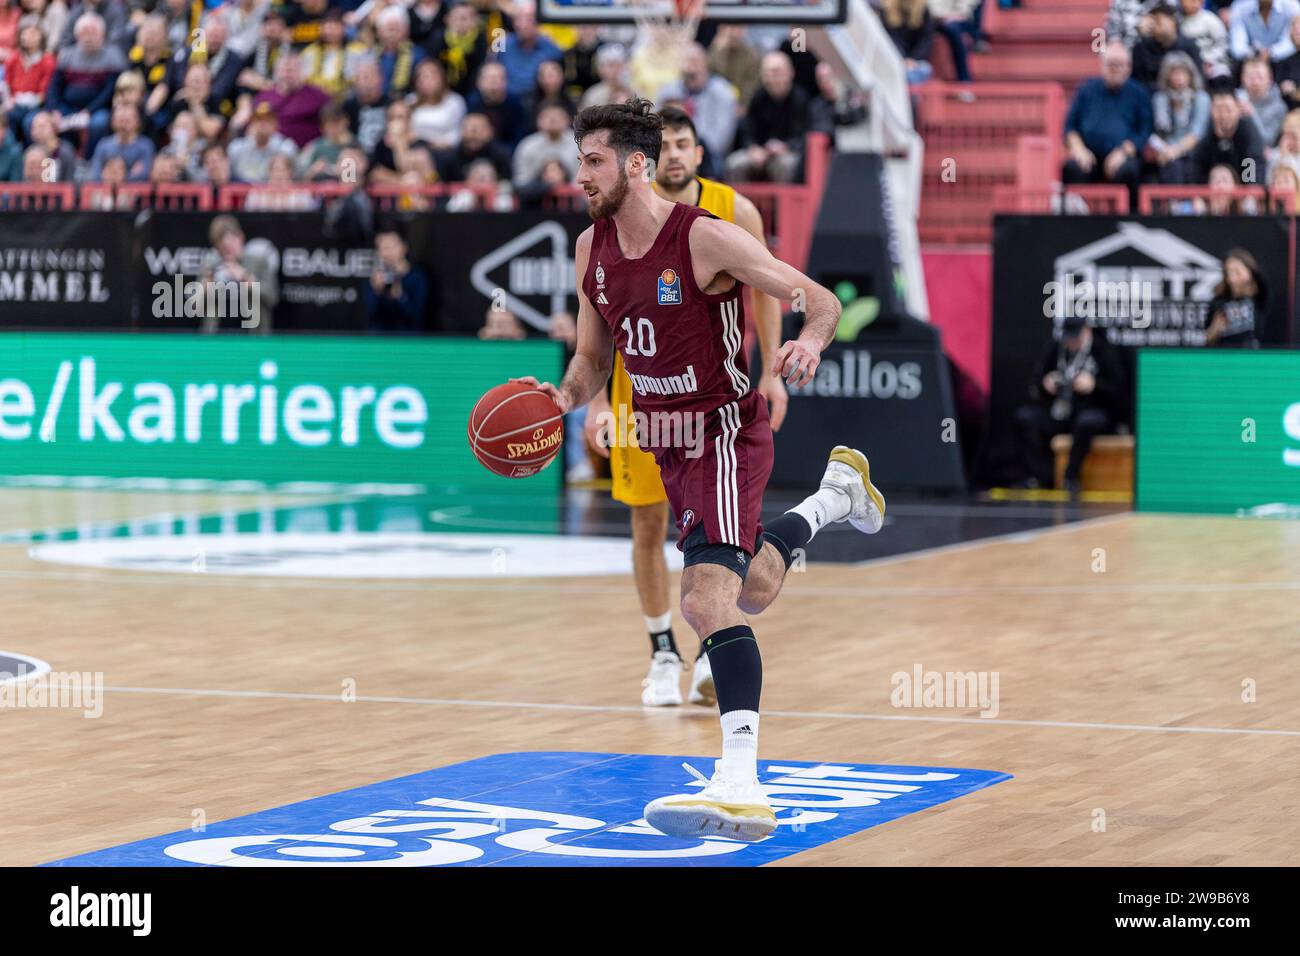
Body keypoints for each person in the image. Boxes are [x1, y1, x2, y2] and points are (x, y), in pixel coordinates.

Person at [512, 99, 885, 842]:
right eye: (579, 161)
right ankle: (835, 498)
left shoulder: (707, 238)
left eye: (592, 162)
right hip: (662, 442)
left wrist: (807, 343)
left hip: (722, 431)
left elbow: (815, 298)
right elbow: (593, 358)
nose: (577, 174)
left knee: (706, 603)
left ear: (636, 165)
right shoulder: (592, 251)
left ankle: (740, 782)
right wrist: (565, 397)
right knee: (753, 585)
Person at [581, 104, 790, 709]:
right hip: (640, 404)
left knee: (728, 567)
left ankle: (708, 653)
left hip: (713, 410)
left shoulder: (729, 213)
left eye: (684, 144)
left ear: (698, 153)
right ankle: (662, 652)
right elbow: (596, 337)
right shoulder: (602, 231)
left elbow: (773, 293)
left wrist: (773, 367)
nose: (675, 153)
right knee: (647, 523)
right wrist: (594, 403)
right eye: (666, 143)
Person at [1013, 316, 1126, 496]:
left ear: (1086, 331)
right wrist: (1046, 384)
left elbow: (1119, 391)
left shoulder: (1103, 349)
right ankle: (1037, 477)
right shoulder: (1055, 348)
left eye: (1076, 338)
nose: (1071, 342)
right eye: (1068, 338)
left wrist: (1094, 385)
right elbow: (1035, 384)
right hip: (1060, 410)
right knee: (1026, 417)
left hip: (1091, 409)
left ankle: (1071, 477)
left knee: (1088, 422)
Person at [1062, 41, 1151, 200]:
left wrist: (1122, 152)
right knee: (1072, 168)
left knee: (1129, 171)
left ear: (1128, 67)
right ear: (1102, 66)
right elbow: (1070, 127)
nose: (1115, 69)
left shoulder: (1138, 93)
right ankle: (1074, 220)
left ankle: (1129, 219)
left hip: (1122, 155)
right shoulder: (1086, 89)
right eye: (1111, 64)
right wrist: (1079, 149)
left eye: (1120, 65)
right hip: (1090, 155)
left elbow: (1144, 131)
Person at [726, 51, 809, 183]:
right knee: (734, 163)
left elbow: (804, 136)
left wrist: (785, 147)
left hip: (788, 153)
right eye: (769, 73)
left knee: (787, 165)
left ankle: (783, 204)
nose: (773, 78)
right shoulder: (758, 97)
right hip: (760, 153)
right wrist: (753, 148)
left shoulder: (800, 98)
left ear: (790, 73)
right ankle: (741, 204)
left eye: (778, 72)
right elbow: (747, 130)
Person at [202, 214, 278, 333]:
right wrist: (206, 285)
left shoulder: (258, 262)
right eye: (223, 247)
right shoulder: (211, 265)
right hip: (217, 337)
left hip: (252, 336)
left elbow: (272, 298)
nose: (228, 249)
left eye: (232, 242)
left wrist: (246, 277)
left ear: (241, 237)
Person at [1146, 51, 1209, 183]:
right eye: (1174, 72)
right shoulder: (1160, 98)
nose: (1178, 77)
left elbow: (1197, 133)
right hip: (1165, 150)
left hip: (1193, 151)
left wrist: (1175, 150)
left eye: (1182, 72)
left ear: (1191, 75)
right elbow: (1155, 132)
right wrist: (1164, 149)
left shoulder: (1201, 98)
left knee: (1182, 164)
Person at [1190, 89, 1267, 183]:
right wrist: (1198, 195)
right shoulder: (1207, 134)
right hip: (1213, 191)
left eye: (1228, 110)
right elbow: (1196, 166)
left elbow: (1252, 161)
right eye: (1218, 110)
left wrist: (1249, 194)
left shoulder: (1248, 131)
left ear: (1238, 109)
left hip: (1242, 189)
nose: (1223, 115)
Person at [364, 226, 428, 333]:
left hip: (409, 340)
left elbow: (418, 316)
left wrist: (400, 297)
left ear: (403, 248)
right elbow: (370, 316)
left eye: (390, 247)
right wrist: (377, 292)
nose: (386, 253)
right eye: (382, 248)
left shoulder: (417, 278)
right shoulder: (375, 278)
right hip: (380, 340)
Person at [1132, 4, 1202, 91]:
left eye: (1158, 20)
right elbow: (1138, 83)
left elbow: (1199, 80)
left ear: (1173, 21)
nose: (1153, 25)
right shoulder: (1141, 48)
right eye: (1152, 21)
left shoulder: (1189, 46)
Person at [1206, 248, 1267, 347]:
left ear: (1249, 271)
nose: (1232, 277)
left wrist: (1247, 267)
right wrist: (1214, 329)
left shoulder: (1258, 297)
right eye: (1228, 272)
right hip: (1225, 355)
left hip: (1251, 355)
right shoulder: (1218, 301)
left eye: (1237, 271)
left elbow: (1263, 282)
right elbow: (1208, 339)